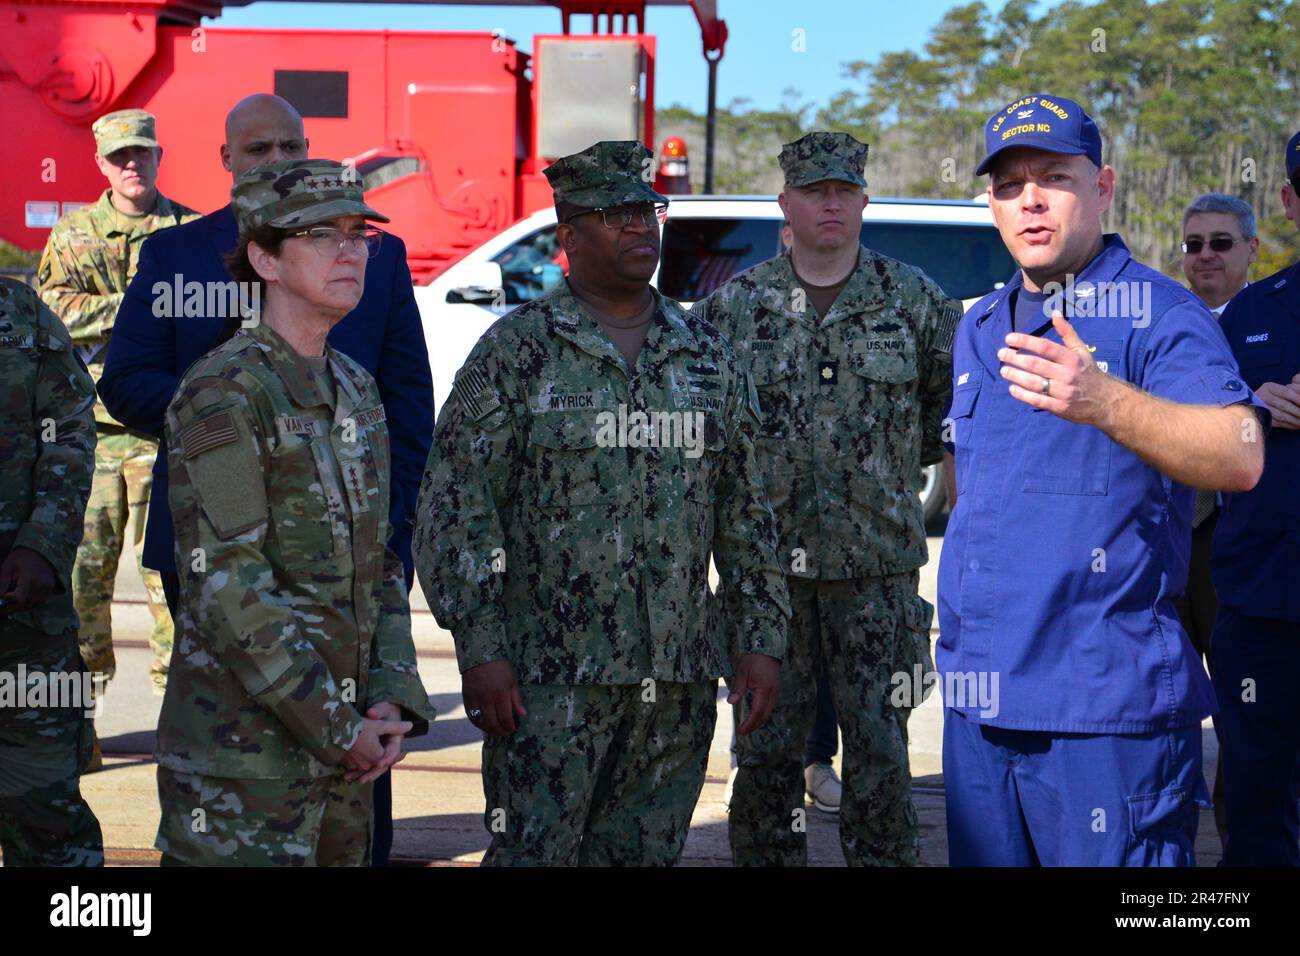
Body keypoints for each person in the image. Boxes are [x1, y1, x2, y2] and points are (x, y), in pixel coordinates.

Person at [414, 140, 790, 866]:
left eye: (646, 210)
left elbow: (749, 514)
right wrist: (481, 648)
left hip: (675, 680)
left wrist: (760, 636)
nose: (638, 227)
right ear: (568, 238)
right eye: (613, 214)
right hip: (546, 681)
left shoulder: (706, 354)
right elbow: (457, 509)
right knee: (534, 854)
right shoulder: (518, 352)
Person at [98, 93, 433, 866]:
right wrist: (338, 727)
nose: (351, 252)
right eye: (323, 237)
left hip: (348, 755)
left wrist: (389, 700)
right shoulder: (222, 394)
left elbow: (382, 561)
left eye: (358, 236)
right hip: (247, 768)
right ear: (266, 259)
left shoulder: (355, 387)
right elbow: (230, 587)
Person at [939, 93, 1267, 867]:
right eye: (1010, 185)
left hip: (1102, 713)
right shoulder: (979, 326)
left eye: (1054, 177)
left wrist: (1106, 400)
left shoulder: (1159, 312)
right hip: (981, 704)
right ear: (990, 204)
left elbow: (1243, 450)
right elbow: (973, 485)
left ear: (1104, 186)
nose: (1032, 201)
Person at [693, 131, 956, 867]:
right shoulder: (733, 311)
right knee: (767, 758)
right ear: (786, 203)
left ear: (865, 200)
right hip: (765, 580)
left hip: (877, 576)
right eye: (814, 192)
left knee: (881, 754)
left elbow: (947, 412)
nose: (830, 204)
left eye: (844, 190)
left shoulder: (913, 302)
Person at [37, 109, 199, 709]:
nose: (133, 164)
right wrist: (139, 308)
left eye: (143, 153)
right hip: (95, 439)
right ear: (100, 164)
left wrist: (113, 314)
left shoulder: (193, 232)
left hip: (169, 434)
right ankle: (78, 717)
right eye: (119, 156)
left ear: (160, 155)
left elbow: (209, 324)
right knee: (82, 582)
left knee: (174, 578)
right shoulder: (74, 235)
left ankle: (179, 708)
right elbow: (54, 312)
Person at [1209, 130, 1300, 866]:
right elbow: (1189, 435)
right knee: (1256, 802)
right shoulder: (1248, 314)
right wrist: (1249, 406)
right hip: (1261, 604)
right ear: (1291, 201)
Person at [0, 277, 103, 866]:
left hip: (23, 623)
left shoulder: (19, 313)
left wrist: (43, 542)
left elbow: (68, 424)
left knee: (46, 817)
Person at [1176, 191, 1258, 851]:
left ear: (1252, 250)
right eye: (1194, 243)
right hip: (1172, 542)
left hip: (1249, 545)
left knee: (1244, 714)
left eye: (1221, 242)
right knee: (1167, 708)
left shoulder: (1274, 321)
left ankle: (1241, 849)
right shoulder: (1160, 321)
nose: (1205, 255)